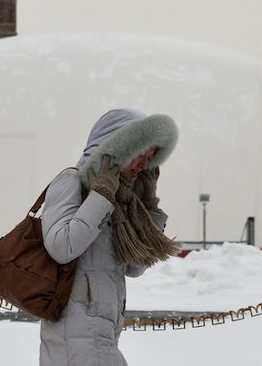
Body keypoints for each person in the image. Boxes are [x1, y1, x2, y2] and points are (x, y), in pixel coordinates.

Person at [39, 109, 182, 365]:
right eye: (140, 154)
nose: (144, 165)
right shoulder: (71, 182)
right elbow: (61, 247)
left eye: (150, 158)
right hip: (72, 339)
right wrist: (101, 197)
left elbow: (135, 267)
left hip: (103, 335)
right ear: (116, 148)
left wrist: (148, 206)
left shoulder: (119, 199)